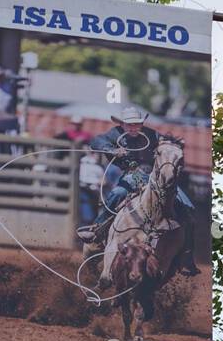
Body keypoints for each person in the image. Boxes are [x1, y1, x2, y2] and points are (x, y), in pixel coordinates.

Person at [76, 105, 198, 275]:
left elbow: (167, 142)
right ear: (122, 124)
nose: (133, 127)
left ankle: (187, 256)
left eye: (136, 124)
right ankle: (98, 228)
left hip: (156, 177)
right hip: (132, 175)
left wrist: (174, 145)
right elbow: (97, 141)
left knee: (188, 207)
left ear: (141, 124)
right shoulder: (115, 134)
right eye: (129, 124)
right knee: (117, 194)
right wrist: (112, 150)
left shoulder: (151, 135)